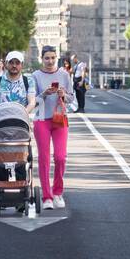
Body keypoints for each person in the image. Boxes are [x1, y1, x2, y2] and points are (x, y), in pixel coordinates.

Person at [32, 47, 76, 210]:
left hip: (60, 119)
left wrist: (63, 95)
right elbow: (32, 101)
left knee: (60, 157)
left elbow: (71, 98)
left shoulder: (64, 74)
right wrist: (44, 93)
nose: (50, 61)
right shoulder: (35, 76)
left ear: (56, 58)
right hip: (42, 119)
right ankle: (47, 197)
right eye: (46, 58)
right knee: (44, 159)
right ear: (41, 59)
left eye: (52, 58)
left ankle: (57, 193)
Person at [0, 51, 37, 116]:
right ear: (6, 63)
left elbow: (32, 102)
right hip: (0, 121)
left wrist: (23, 115)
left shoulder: (29, 82)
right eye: (11, 62)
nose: (14, 65)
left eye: (17, 63)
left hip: (20, 121)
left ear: (22, 64)